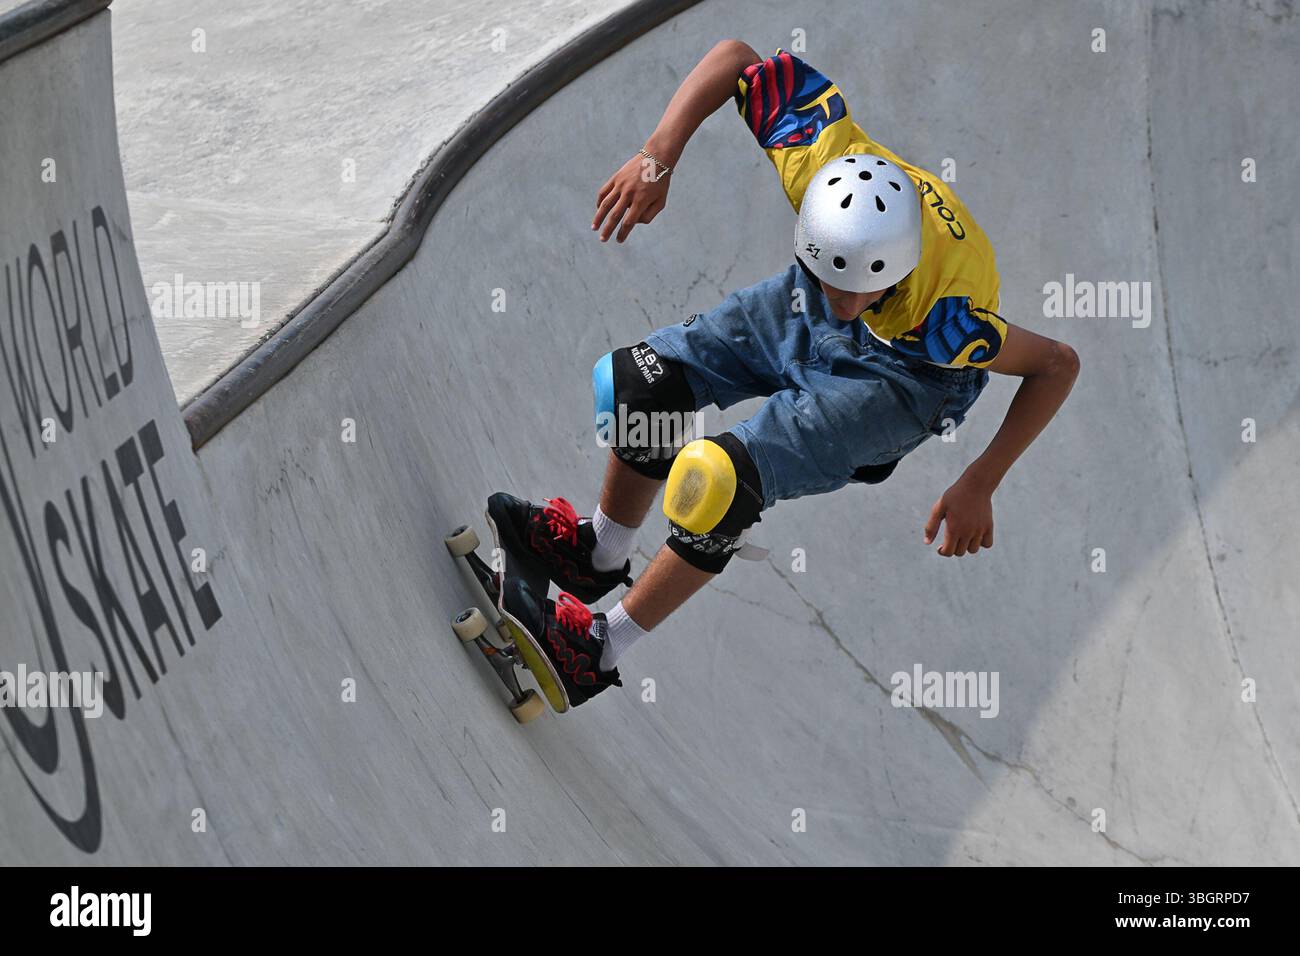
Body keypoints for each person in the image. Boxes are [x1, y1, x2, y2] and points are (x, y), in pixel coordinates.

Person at [490, 40, 1079, 706]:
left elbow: (1057, 364)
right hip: (794, 307)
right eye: (832, 278)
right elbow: (734, 57)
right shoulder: (819, 156)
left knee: (719, 484)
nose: (842, 305)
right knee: (641, 383)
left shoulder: (951, 323)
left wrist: (981, 479)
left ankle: (597, 649)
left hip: (903, 383)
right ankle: (597, 552)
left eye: (856, 292)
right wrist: (658, 158)